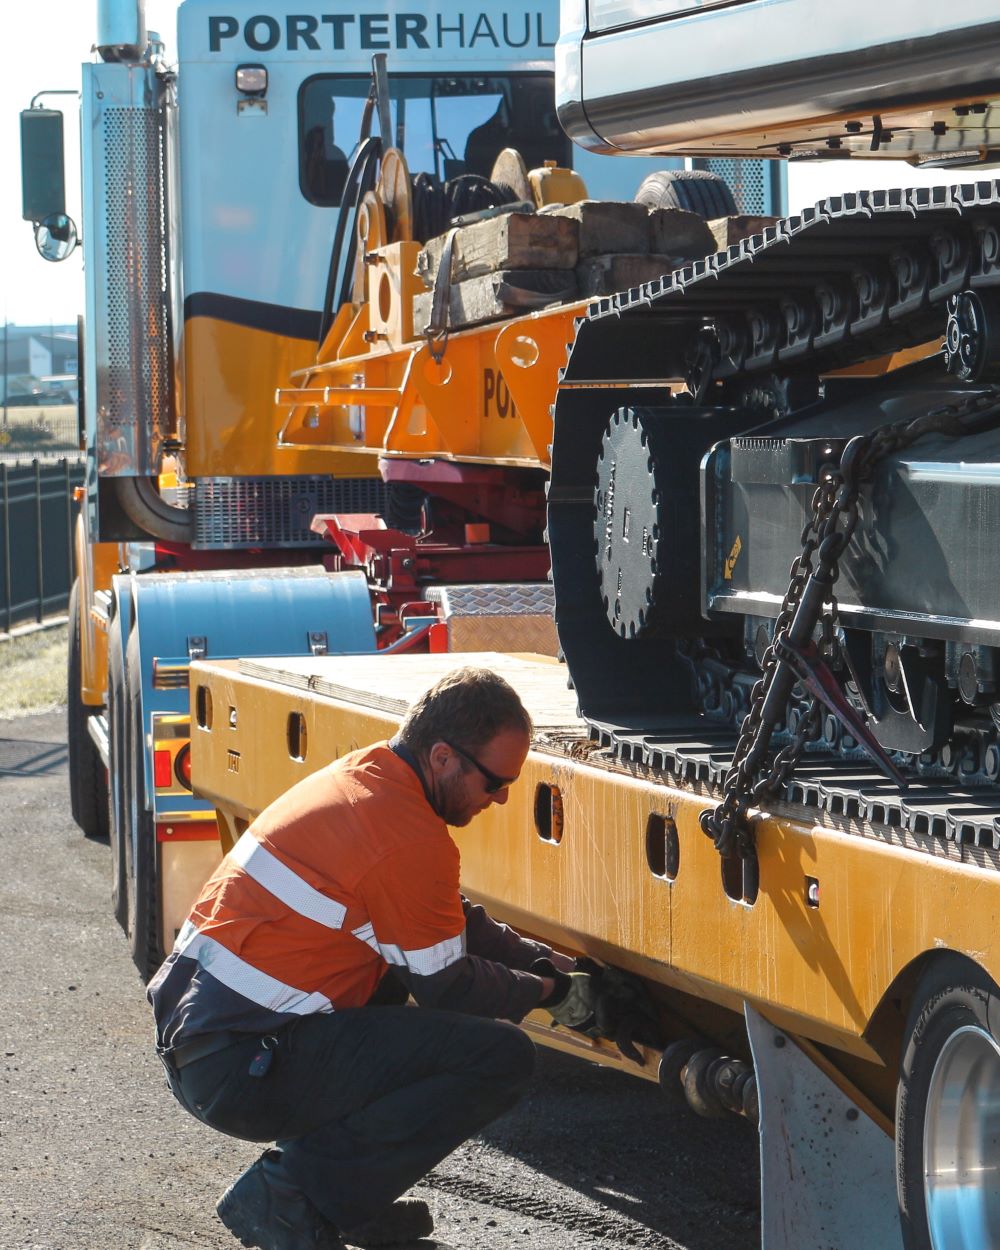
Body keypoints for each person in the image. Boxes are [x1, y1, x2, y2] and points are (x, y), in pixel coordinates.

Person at [148, 665, 596, 1250]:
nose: (503, 796)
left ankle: (342, 1201)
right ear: (442, 758)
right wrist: (550, 994)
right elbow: (450, 987)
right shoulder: (408, 836)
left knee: (388, 972)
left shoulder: (368, 781)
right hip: (240, 1068)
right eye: (493, 781)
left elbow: (446, 917)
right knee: (498, 1056)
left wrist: (540, 960)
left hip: (208, 1047)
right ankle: (290, 1195)